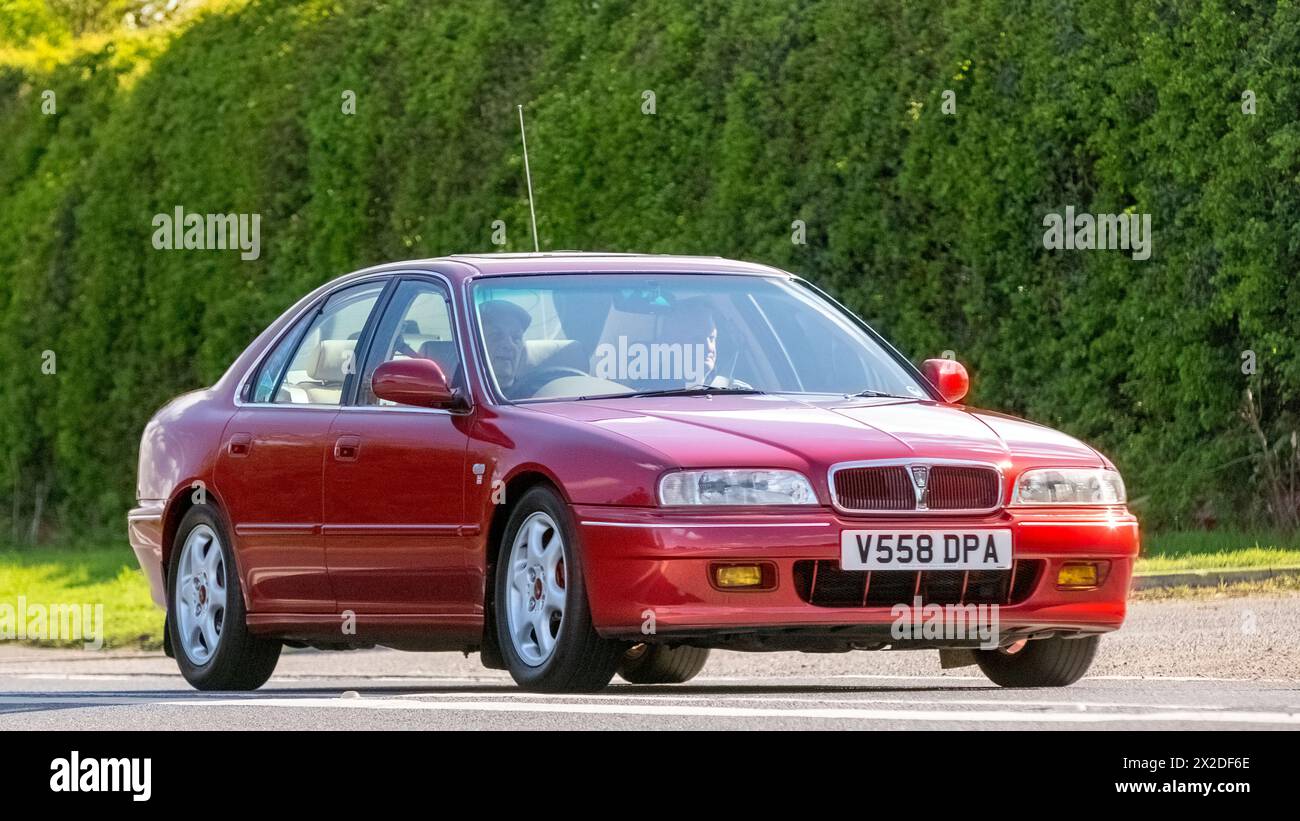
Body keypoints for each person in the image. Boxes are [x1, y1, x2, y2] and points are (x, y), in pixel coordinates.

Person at [479, 299, 531, 397]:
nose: (509, 345)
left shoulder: (537, 395)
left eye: (516, 337)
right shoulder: (458, 397)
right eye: (496, 335)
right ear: (477, 343)